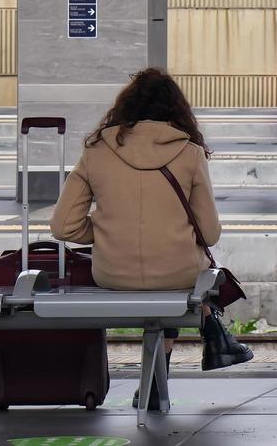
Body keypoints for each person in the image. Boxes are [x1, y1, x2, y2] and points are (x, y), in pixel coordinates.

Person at [51, 68, 236, 398]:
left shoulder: (96, 150)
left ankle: (156, 382)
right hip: (175, 273)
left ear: (125, 107)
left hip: (112, 274)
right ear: (176, 110)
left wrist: (108, 230)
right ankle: (162, 375)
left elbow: (63, 225)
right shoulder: (190, 153)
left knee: (169, 279)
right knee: (180, 279)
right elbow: (209, 234)